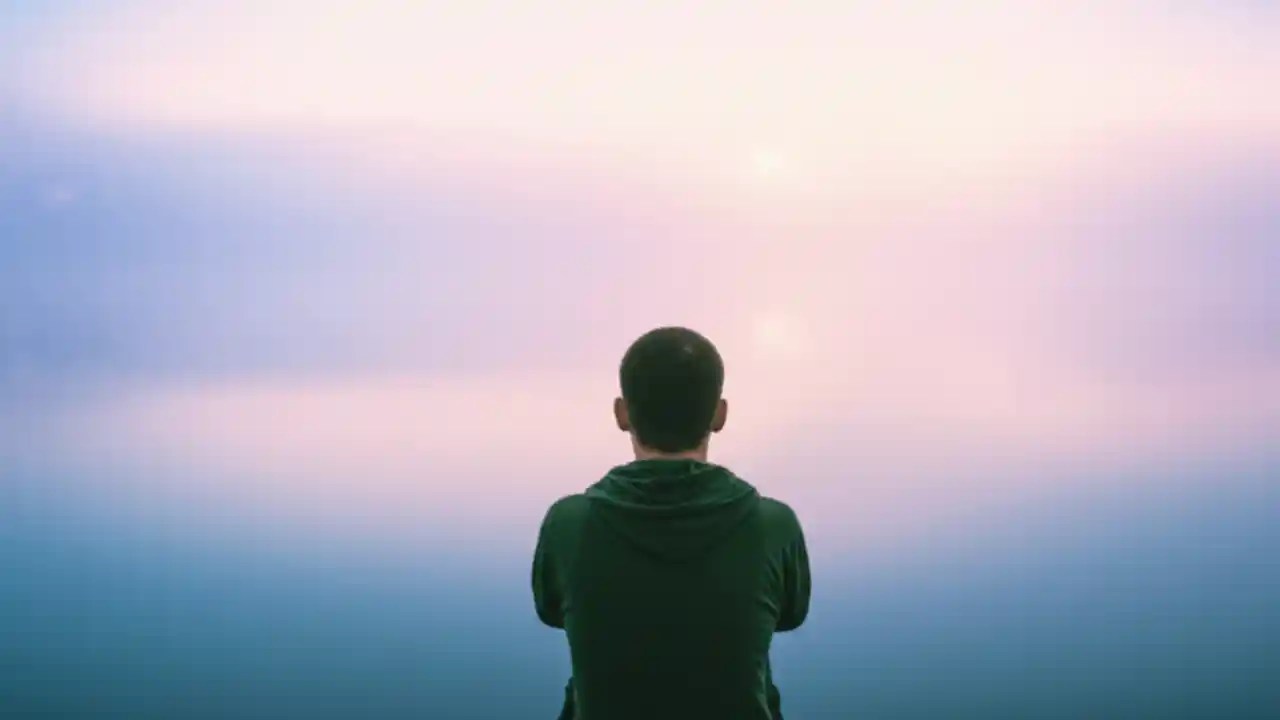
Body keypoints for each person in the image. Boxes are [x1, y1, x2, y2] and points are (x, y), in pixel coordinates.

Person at [532, 326, 811, 719]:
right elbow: (790, 614)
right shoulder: (773, 525)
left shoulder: (569, 524)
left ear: (622, 413)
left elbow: (550, 610)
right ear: (719, 414)